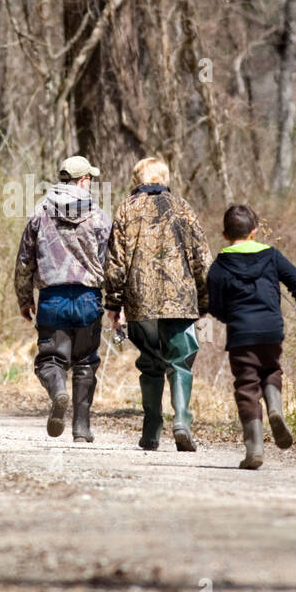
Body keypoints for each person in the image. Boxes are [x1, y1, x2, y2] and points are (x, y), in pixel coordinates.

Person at [103, 157, 211, 451]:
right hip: (179, 299)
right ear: (164, 178)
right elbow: (202, 257)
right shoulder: (182, 207)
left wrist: (114, 302)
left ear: (138, 179)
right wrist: (205, 299)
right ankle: (182, 422)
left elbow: (115, 261)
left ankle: (151, 430)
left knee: (150, 364)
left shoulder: (126, 208)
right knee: (180, 361)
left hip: (141, 301)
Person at [205, 204, 296, 470]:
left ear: (224, 234)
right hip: (271, 330)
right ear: (255, 231)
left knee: (246, 386)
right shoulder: (271, 256)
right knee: (271, 370)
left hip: (242, 333)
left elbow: (214, 303)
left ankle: (254, 448)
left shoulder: (220, 265)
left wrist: (228, 317)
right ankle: (275, 407)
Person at [13, 155, 112, 442]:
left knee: (50, 360)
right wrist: (117, 301)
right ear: (83, 181)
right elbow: (110, 261)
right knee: (85, 362)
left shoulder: (39, 212)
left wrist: (24, 298)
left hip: (52, 297)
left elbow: (24, 262)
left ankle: (58, 391)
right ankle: (81, 428)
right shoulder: (98, 215)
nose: (91, 184)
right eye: (90, 179)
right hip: (88, 297)